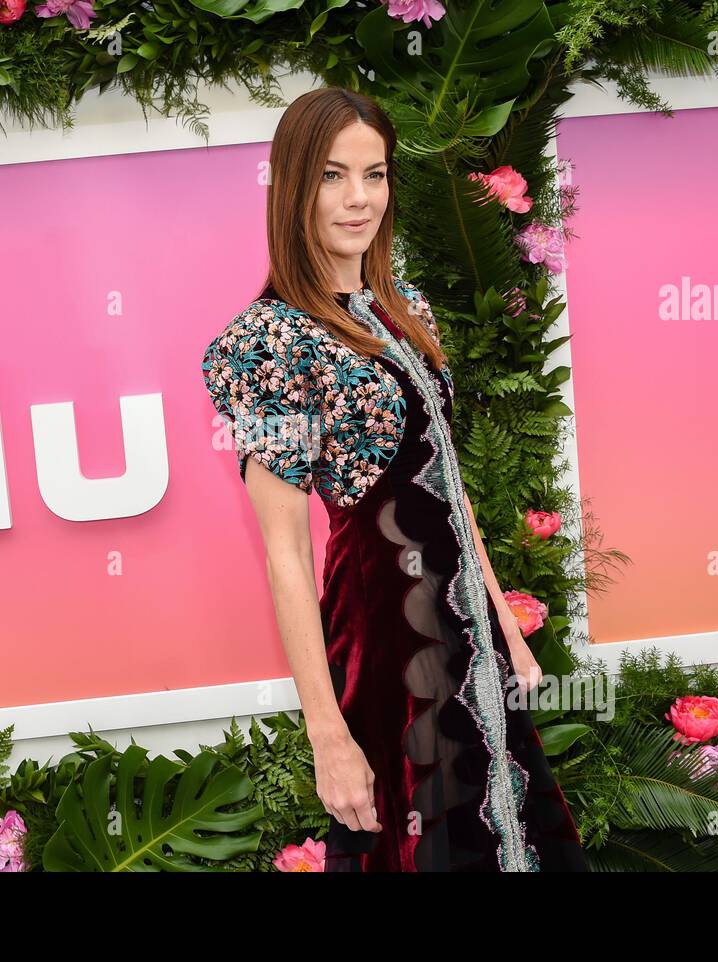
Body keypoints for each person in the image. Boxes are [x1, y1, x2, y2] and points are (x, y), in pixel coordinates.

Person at [200, 87, 589, 872]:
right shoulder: (262, 342)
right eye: (332, 176)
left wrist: (506, 628)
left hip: (468, 628)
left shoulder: (402, 306)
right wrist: (327, 734)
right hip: (384, 632)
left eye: (374, 175)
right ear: (292, 187)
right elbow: (285, 552)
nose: (358, 199)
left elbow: (446, 477)